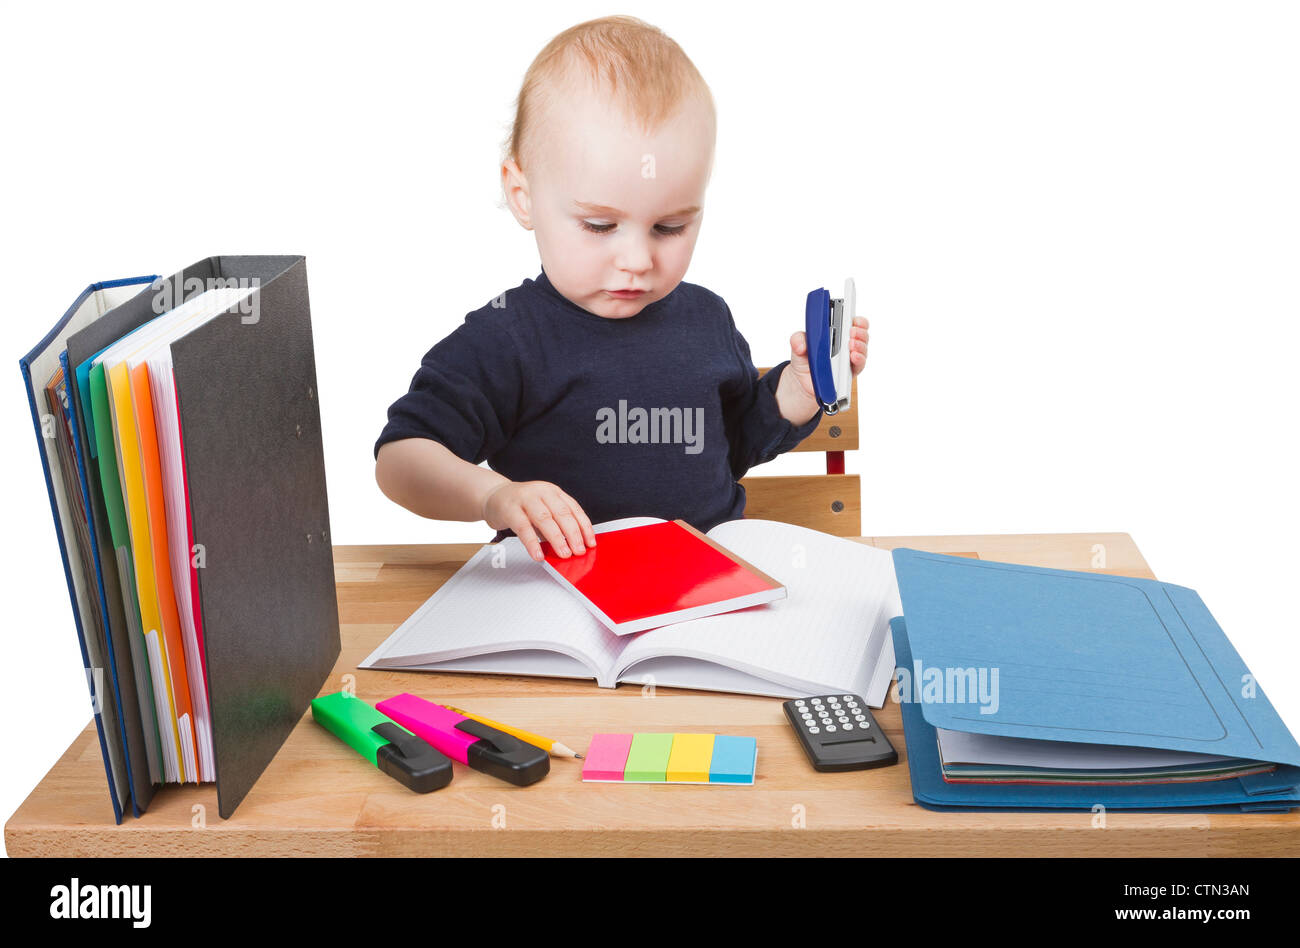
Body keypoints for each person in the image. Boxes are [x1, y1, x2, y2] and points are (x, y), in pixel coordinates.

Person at [375, 15, 868, 562]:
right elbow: (401, 458)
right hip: (558, 601)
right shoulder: (508, 336)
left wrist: (798, 391)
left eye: (670, 227)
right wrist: (492, 495)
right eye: (599, 226)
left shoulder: (706, 318)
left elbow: (732, 445)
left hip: (706, 589)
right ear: (523, 194)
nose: (637, 261)